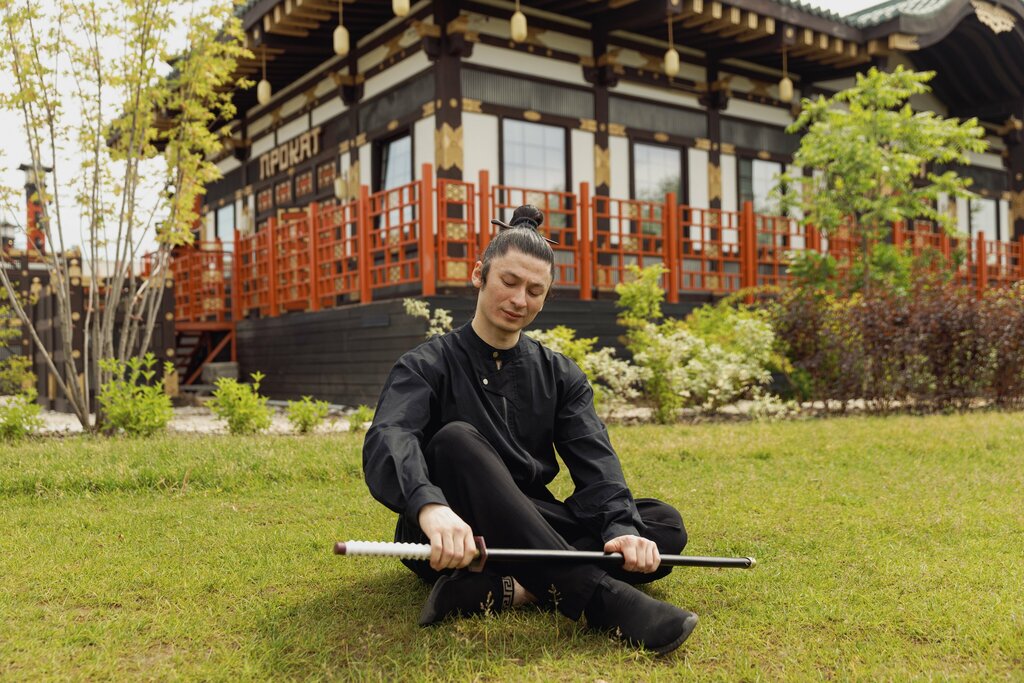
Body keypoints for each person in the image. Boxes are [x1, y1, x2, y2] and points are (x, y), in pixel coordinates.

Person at [362, 205, 698, 655]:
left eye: (535, 290)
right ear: (479, 274)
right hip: (448, 535)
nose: (520, 299)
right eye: (510, 282)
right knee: (454, 440)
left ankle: (506, 590)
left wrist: (620, 526)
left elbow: (595, 459)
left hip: (528, 522)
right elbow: (390, 437)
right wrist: (428, 505)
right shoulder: (426, 364)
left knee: (661, 526)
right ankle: (602, 600)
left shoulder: (560, 374)